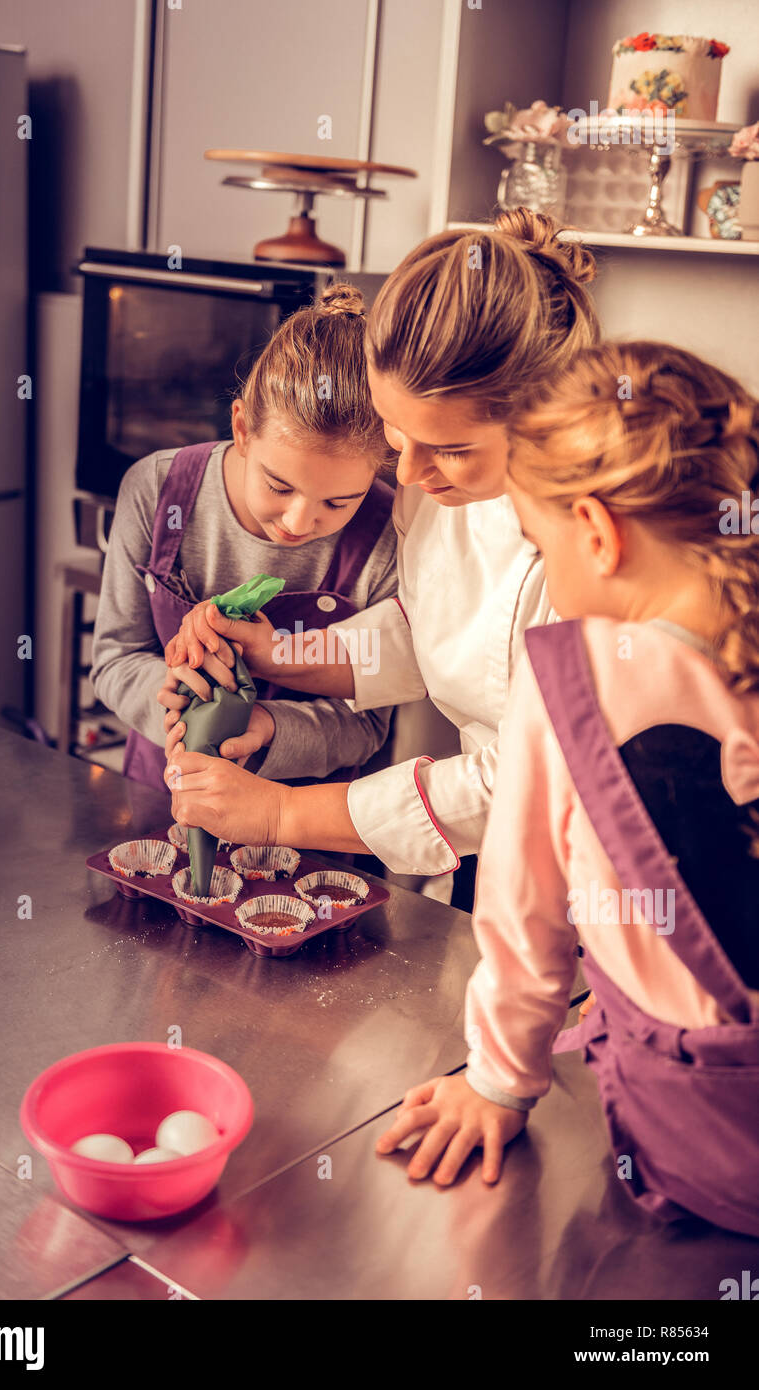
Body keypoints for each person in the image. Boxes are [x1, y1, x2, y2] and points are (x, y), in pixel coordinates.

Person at [377, 342, 759, 1238]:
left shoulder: (577, 682)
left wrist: (497, 1084)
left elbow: (524, 916)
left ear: (596, 532)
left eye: (540, 544)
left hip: (700, 1151)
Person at [164, 211, 599, 883]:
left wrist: (281, 815)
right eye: (396, 433)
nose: (414, 475)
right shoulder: (435, 490)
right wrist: (286, 651)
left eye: (452, 450)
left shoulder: (584, 551)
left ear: (547, 419)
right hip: (487, 851)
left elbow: (520, 779)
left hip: (588, 865)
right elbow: (425, 628)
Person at [90, 283, 398, 794]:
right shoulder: (157, 490)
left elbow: (365, 722)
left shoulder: (387, 533)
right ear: (241, 427)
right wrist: (168, 699)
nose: (299, 522)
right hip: (161, 793)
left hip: (307, 819)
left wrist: (269, 727)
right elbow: (116, 657)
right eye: (279, 484)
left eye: (338, 503)